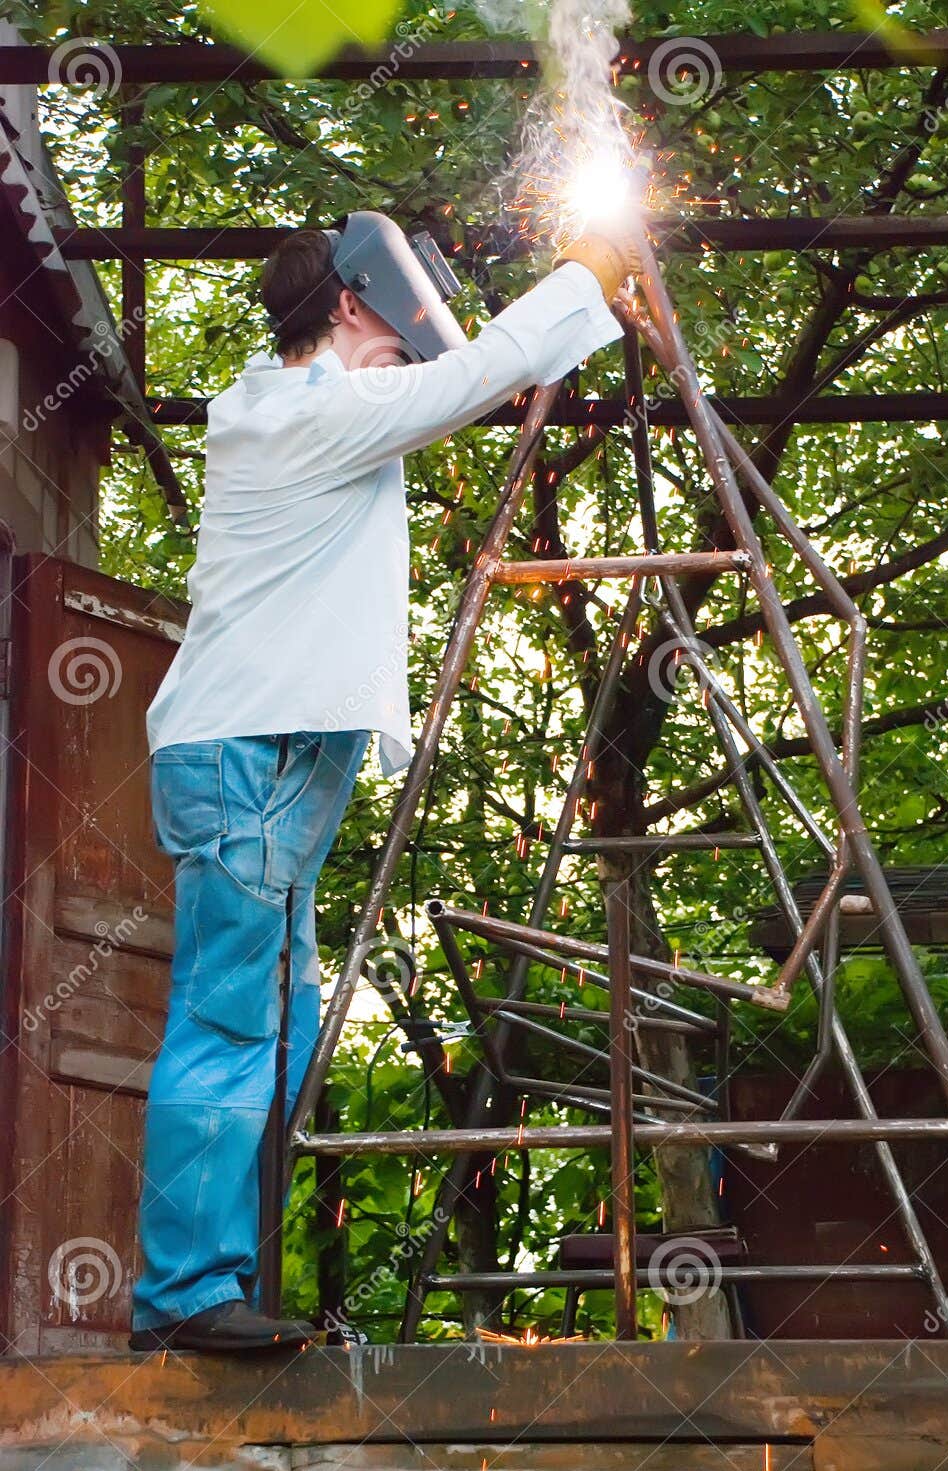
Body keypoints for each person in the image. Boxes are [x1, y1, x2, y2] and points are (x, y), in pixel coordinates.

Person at [130, 211, 640, 1352]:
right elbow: (472, 379)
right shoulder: (303, 411)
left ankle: (222, 1288)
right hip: (249, 754)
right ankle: (181, 1302)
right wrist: (586, 275)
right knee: (226, 1018)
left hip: (280, 756)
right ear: (358, 302)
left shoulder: (321, 413)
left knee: (280, 1027)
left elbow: (459, 383)